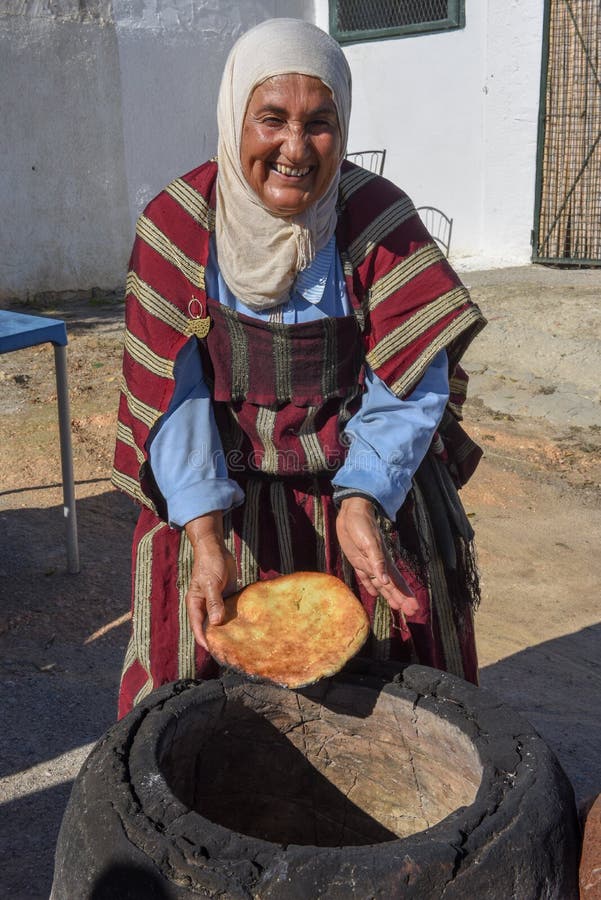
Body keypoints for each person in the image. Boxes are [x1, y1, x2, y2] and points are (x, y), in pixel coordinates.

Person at [112, 18, 486, 719]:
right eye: (271, 120)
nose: (293, 148)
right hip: (222, 497)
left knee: (406, 700)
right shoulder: (178, 227)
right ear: (234, 118)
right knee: (199, 695)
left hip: (366, 486)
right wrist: (203, 532)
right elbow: (175, 396)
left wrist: (364, 497)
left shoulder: (377, 218)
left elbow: (409, 382)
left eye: (318, 123)